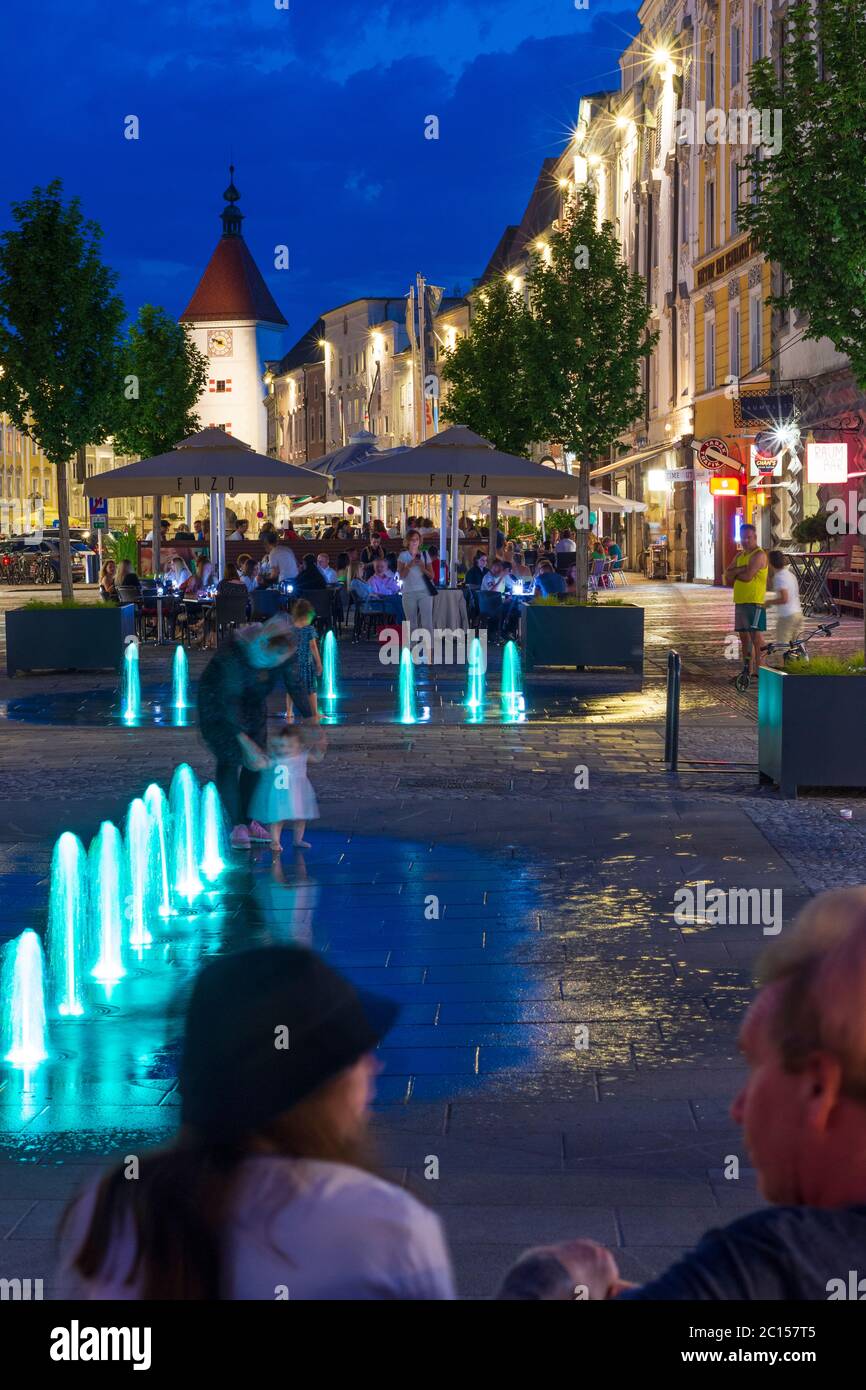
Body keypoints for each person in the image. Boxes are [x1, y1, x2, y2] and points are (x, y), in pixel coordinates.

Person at [496, 887, 866, 1301]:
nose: (739, 1109)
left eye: (756, 1066)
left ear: (819, 1088)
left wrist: (551, 1277)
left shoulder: (772, 1267)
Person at [60, 944, 456, 1300]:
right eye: (354, 1054)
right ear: (314, 1084)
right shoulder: (386, 1225)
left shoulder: (111, 1204)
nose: (374, 1066)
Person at [196, 618, 313, 849]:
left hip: (252, 705)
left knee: (257, 760)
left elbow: (294, 682)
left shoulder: (281, 650)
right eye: (276, 656)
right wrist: (243, 741)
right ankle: (237, 825)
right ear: (265, 644)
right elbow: (227, 701)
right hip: (218, 706)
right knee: (230, 759)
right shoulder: (235, 652)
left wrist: (311, 718)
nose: (278, 662)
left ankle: (249, 821)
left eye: (283, 657)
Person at [243, 723, 326, 851]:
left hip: (298, 793)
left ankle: (298, 839)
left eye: (290, 746)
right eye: (281, 746)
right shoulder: (276, 759)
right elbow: (262, 764)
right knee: (278, 818)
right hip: (280, 793)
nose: (284, 750)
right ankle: (275, 841)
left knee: (300, 817)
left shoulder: (302, 756)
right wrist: (255, 761)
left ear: (299, 746)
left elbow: (317, 757)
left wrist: (321, 745)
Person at [724, 522, 769, 678]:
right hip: (741, 601)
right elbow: (727, 574)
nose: (745, 541)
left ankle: (761, 671)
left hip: (754, 601)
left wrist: (738, 572)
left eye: (748, 538)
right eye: (742, 538)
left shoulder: (759, 554)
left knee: (757, 638)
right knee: (744, 638)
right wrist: (741, 570)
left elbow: (748, 577)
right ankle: (747, 670)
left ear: (755, 537)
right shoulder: (740, 555)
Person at [285, 597, 322, 723]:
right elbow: (313, 647)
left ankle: (289, 712)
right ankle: (315, 712)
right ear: (307, 616)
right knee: (311, 689)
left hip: (292, 665)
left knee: (291, 689)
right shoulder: (309, 629)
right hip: (306, 664)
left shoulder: (290, 629)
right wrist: (319, 662)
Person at [765, 550, 803, 666]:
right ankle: (800, 670)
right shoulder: (790, 575)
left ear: (770, 563)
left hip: (787, 616)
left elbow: (784, 598)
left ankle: (784, 672)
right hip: (798, 613)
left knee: (782, 647)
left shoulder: (779, 577)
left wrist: (768, 602)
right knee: (797, 647)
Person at [398, 530, 435, 643]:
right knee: (411, 623)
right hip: (409, 592)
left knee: (427, 622)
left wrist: (422, 568)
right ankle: (413, 648)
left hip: (425, 592)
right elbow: (401, 576)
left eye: (417, 540)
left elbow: (432, 576)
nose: (414, 542)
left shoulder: (424, 554)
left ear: (420, 542)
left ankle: (429, 648)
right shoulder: (403, 556)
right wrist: (409, 565)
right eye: (412, 540)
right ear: (408, 541)